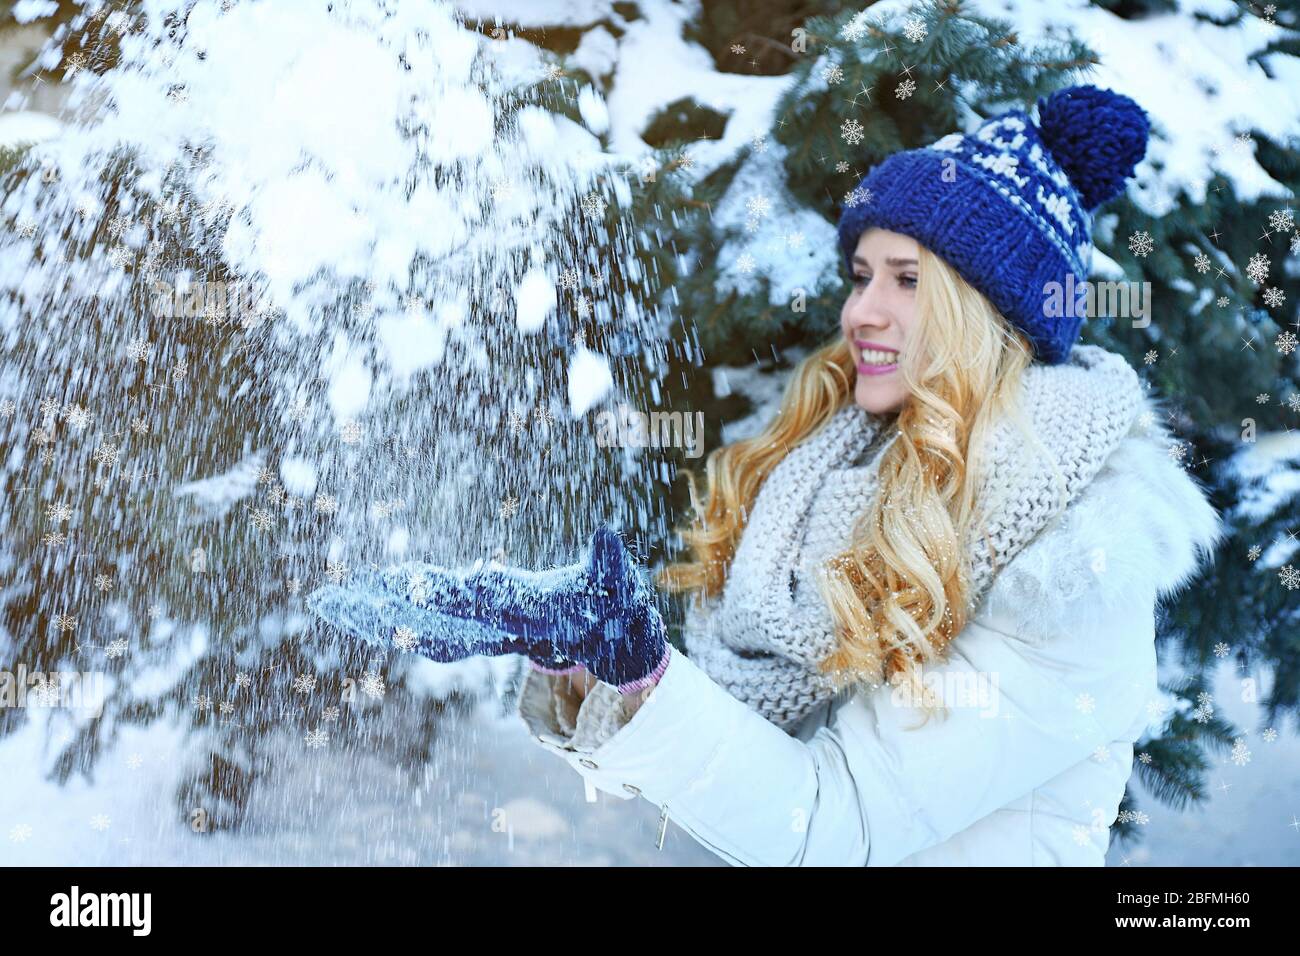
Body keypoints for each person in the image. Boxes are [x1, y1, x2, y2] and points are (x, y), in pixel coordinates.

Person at [308, 85, 1225, 866]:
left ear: (989, 311)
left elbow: (830, 821)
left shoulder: (1070, 567)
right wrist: (599, 664)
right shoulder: (848, 481)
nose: (860, 309)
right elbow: (760, 774)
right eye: (860, 273)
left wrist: (647, 680)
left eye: (907, 279)